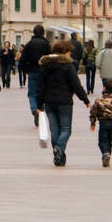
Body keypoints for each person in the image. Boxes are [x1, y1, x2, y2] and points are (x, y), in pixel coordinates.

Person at [37, 38, 90, 166]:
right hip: (65, 102)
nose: (70, 55)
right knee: (66, 129)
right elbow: (76, 85)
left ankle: (59, 158)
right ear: (64, 52)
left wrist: (39, 105)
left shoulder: (45, 66)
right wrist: (86, 100)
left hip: (49, 102)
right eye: (69, 52)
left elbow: (40, 86)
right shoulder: (67, 66)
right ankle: (59, 148)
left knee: (55, 130)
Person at [18, 24, 51, 126]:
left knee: (32, 93)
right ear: (43, 33)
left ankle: (34, 109)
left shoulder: (29, 44)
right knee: (43, 93)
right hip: (44, 72)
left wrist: (26, 70)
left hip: (32, 72)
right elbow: (50, 58)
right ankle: (40, 110)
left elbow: (22, 60)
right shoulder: (46, 44)